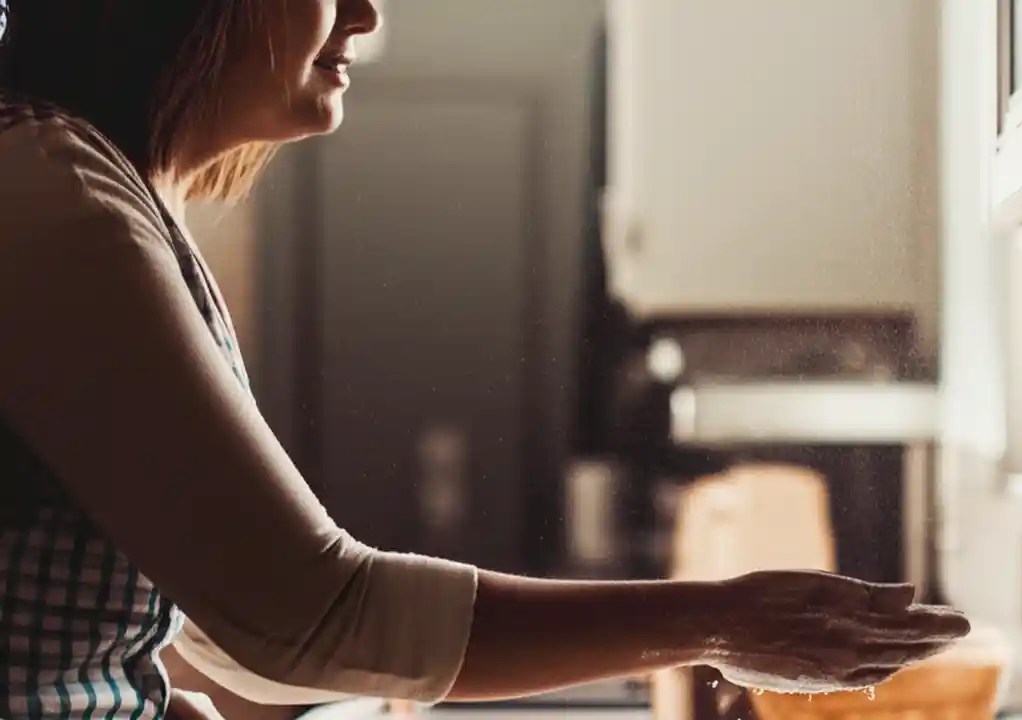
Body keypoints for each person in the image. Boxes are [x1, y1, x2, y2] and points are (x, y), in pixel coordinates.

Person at [0, 1, 970, 718]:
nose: (365, 16)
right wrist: (721, 621)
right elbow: (310, 614)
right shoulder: (49, 190)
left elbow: (232, 617)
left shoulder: (87, 187)